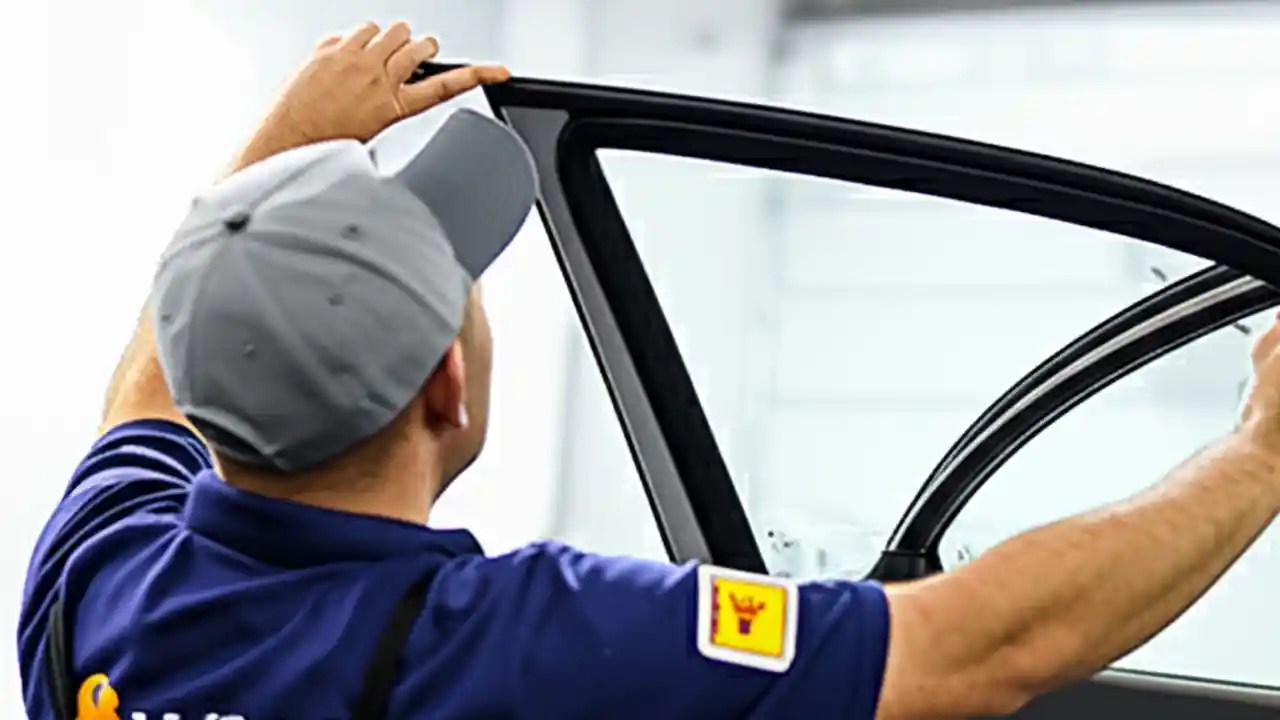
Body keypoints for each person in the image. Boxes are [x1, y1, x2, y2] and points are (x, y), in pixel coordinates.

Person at [17, 18, 1280, 720]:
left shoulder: (100, 580)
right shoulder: (528, 651)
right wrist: (1259, 454)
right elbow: (971, 650)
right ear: (445, 391)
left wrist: (270, 175)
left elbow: (145, 397)